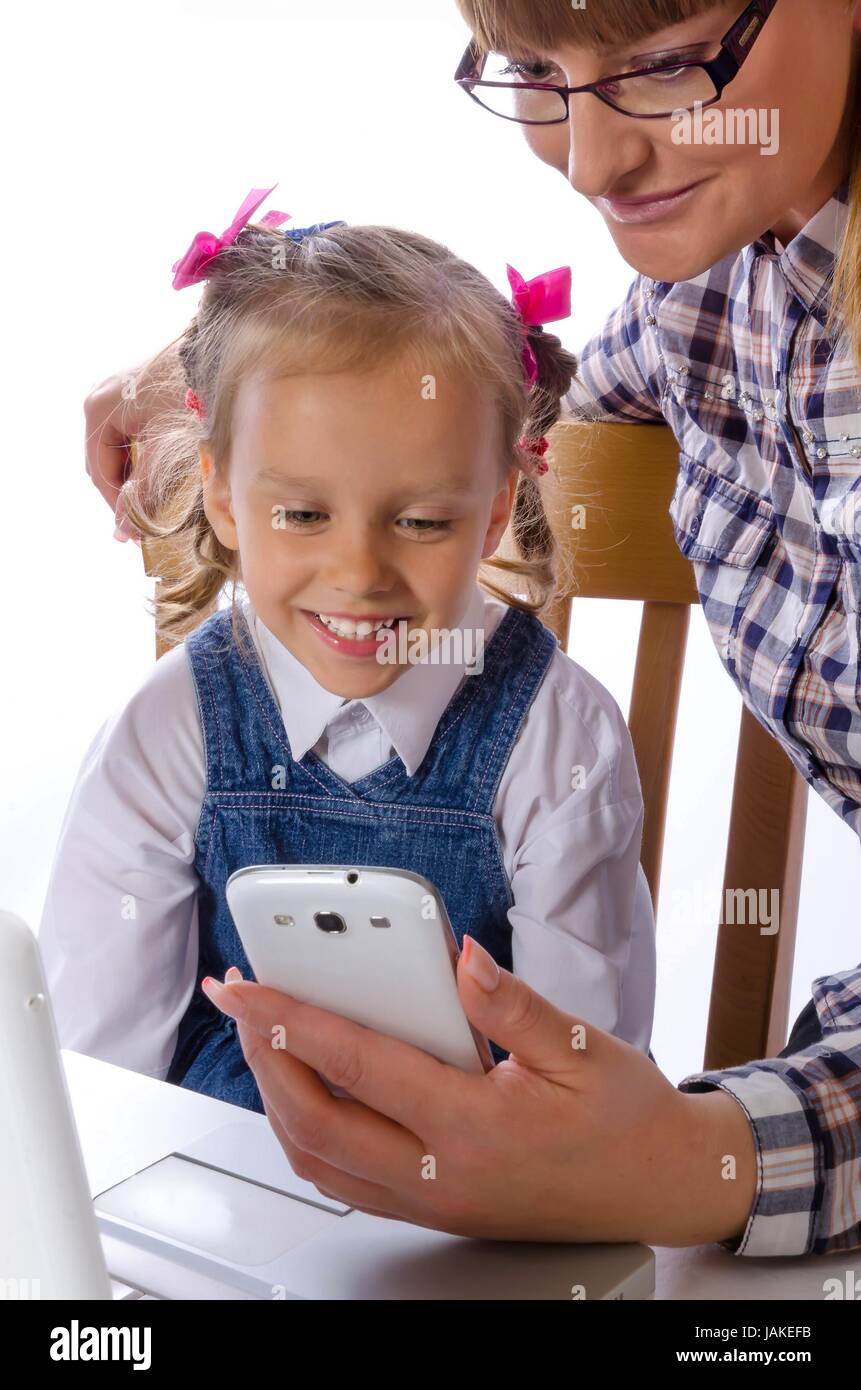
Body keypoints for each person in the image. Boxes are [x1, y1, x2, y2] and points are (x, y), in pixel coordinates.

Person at [81, 0, 861, 1255]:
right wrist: (233, 366)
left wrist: (703, 1158)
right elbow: (499, 391)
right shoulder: (715, 299)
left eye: (665, 64)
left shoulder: (547, 740)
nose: (591, 163)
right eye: (538, 73)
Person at [41, 191, 658, 1114]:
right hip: (223, 1188)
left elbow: (586, 1086)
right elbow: (98, 1082)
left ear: (494, 508)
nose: (359, 573)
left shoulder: (556, 737)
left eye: (418, 520)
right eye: (301, 514)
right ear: (221, 496)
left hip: (482, 1204)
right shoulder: (170, 730)